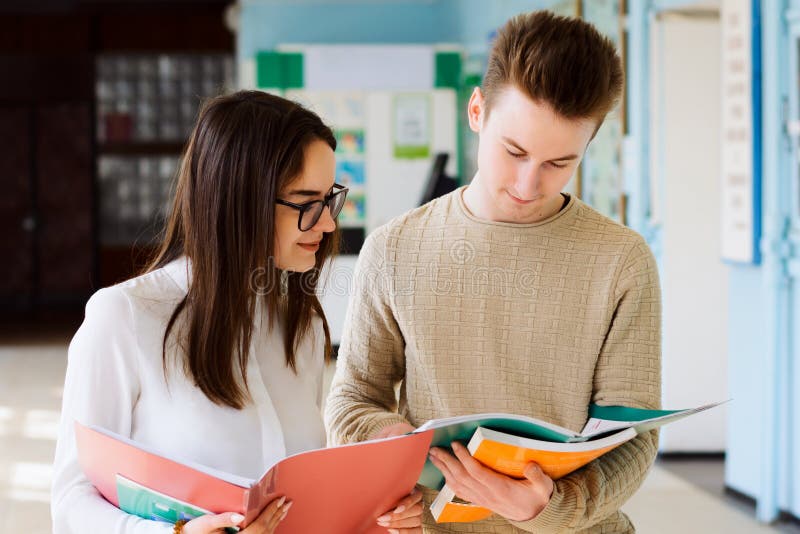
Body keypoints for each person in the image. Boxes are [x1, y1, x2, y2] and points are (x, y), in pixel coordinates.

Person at [325, 11, 661, 534]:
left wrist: (551, 504)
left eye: (559, 162)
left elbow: (634, 436)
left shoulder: (621, 260)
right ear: (477, 111)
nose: (529, 184)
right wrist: (390, 452)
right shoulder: (394, 248)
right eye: (515, 151)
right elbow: (352, 399)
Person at [51, 90, 423, 533]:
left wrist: (373, 513)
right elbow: (71, 505)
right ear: (239, 200)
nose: (327, 224)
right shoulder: (124, 318)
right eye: (306, 203)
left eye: (330, 199)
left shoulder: (299, 326)